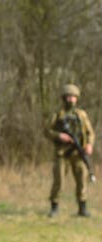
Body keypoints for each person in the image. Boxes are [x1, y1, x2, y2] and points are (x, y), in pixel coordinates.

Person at [45, 83, 95, 217]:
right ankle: (54, 207)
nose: (71, 99)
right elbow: (47, 131)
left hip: (78, 153)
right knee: (59, 181)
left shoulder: (81, 115)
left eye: (73, 97)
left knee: (82, 179)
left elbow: (90, 132)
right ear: (63, 98)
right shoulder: (57, 115)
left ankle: (82, 208)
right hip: (62, 153)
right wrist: (59, 136)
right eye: (68, 96)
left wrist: (89, 145)